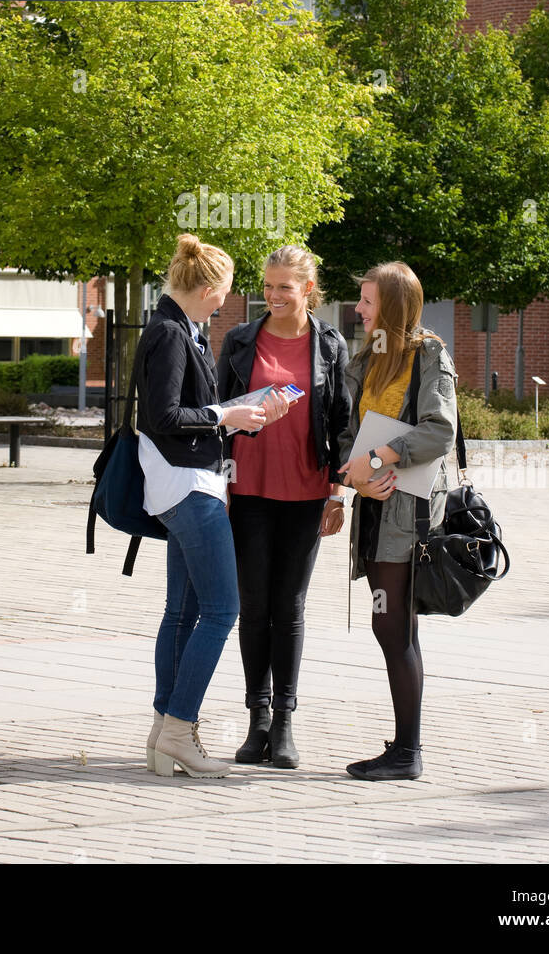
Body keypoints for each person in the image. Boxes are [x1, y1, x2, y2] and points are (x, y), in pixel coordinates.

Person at [135, 233, 290, 779]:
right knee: (223, 610)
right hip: (189, 489)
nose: (224, 303)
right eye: (222, 293)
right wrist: (228, 416)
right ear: (203, 288)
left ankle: (163, 732)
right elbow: (166, 417)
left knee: (182, 613)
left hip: (178, 487)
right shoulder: (173, 334)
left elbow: (173, 414)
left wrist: (235, 414)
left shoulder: (175, 329)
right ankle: (179, 729)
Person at [216, 246, 351, 769]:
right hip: (246, 490)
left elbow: (342, 421)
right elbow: (219, 413)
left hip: (307, 492)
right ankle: (258, 722)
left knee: (289, 606)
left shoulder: (330, 346)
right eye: (267, 287)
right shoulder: (239, 340)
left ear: (307, 291)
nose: (272, 296)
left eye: (284, 288)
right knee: (254, 606)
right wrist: (219, 484)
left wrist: (338, 492)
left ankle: (287, 725)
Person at [338, 261, 458, 781]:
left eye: (367, 302)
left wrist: (381, 458)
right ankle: (405, 749)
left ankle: (407, 752)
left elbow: (440, 430)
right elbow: (345, 434)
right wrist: (356, 477)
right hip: (373, 507)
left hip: (407, 515)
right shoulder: (367, 357)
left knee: (392, 627)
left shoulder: (429, 353)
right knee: (391, 625)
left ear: (392, 305)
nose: (358, 309)